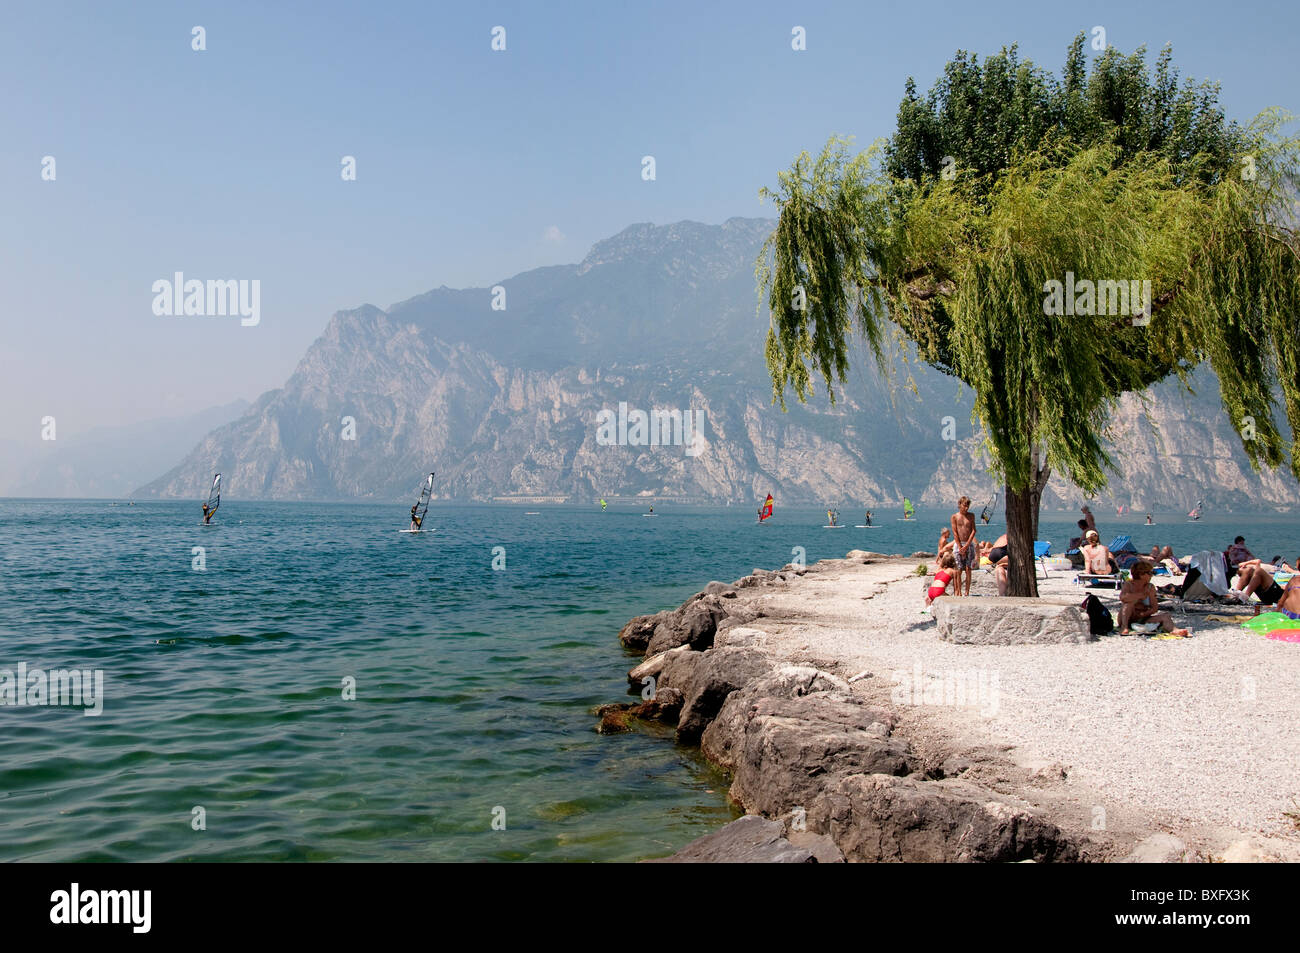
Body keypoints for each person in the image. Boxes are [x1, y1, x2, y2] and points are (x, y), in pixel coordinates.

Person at [1118, 562, 1188, 636]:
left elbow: (1154, 607)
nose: (1152, 575)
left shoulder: (1150, 587)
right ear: (1141, 574)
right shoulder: (1128, 585)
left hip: (1143, 618)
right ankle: (1124, 627)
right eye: (1150, 573)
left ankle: (1174, 630)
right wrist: (1140, 596)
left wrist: (1143, 614)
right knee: (1128, 604)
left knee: (1166, 616)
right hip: (1126, 618)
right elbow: (1123, 598)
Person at [949, 496, 978, 597]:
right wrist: (960, 546)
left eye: (968, 506)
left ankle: (967, 592)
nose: (966, 508)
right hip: (958, 544)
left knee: (968, 568)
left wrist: (967, 545)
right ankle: (958, 592)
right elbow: (955, 532)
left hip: (968, 544)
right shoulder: (954, 517)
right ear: (960, 504)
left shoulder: (971, 516)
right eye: (964, 505)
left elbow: (973, 530)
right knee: (958, 569)